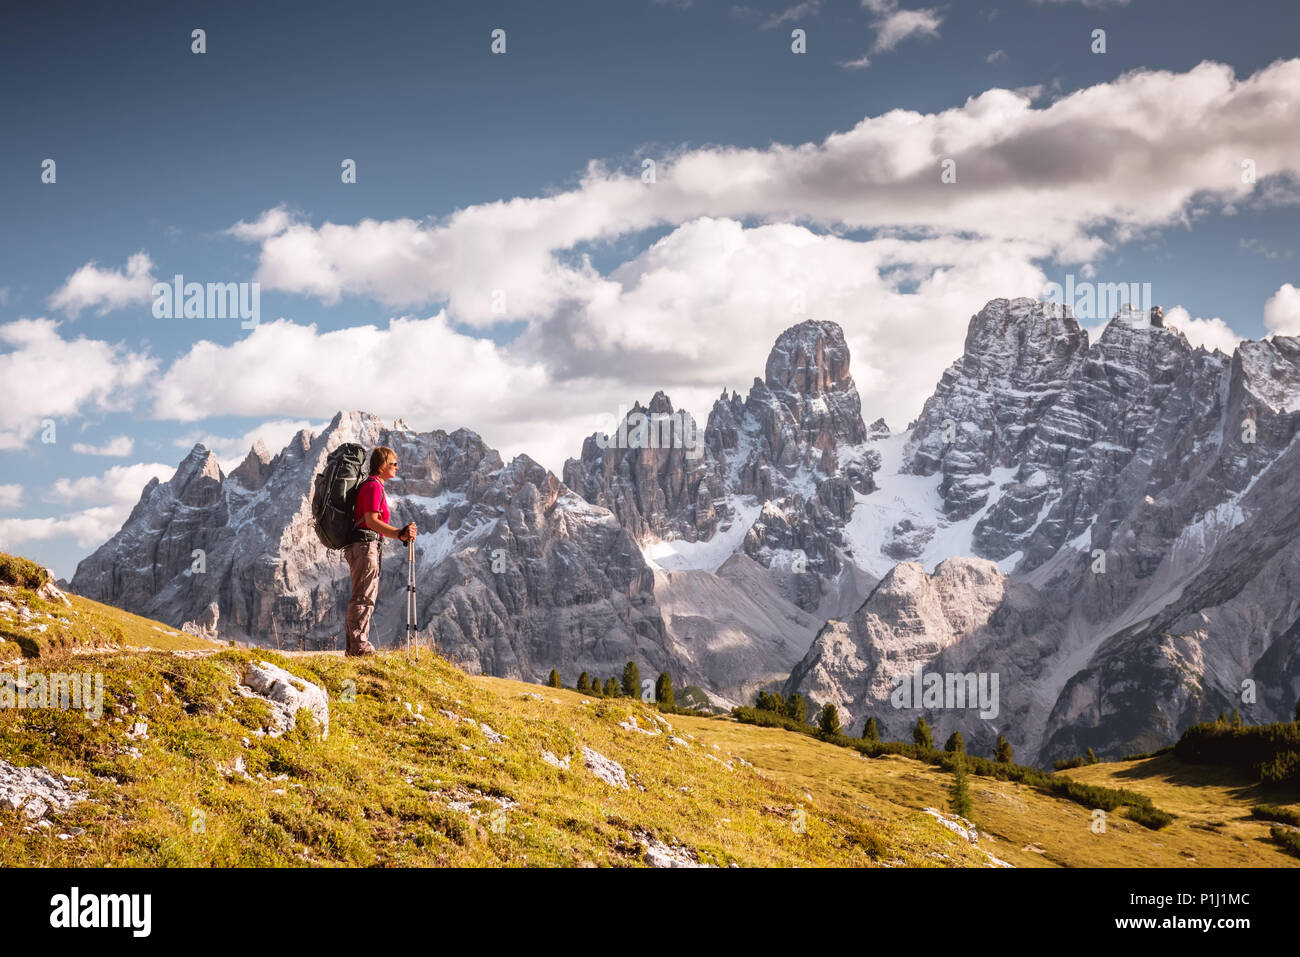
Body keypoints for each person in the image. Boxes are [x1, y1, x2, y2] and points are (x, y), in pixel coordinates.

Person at [343, 446, 417, 656]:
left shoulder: (374, 486)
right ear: (383, 465)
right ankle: (359, 647)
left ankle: (355, 647)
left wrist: (398, 534)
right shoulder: (374, 486)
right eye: (394, 463)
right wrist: (399, 533)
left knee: (364, 595)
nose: (397, 467)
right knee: (363, 597)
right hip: (365, 546)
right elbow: (371, 521)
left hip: (366, 546)